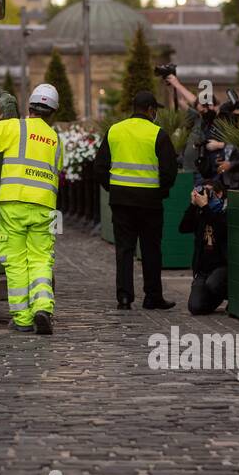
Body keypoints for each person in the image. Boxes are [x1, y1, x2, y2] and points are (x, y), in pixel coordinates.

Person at [0, 84, 62, 335]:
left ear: (29, 106)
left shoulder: (15, 127)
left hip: (13, 203)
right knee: (42, 259)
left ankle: (22, 318)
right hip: (46, 207)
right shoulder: (55, 139)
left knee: (16, 261)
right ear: (53, 112)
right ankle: (43, 307)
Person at [94, 90, 179, 310]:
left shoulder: (115, 131)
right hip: (149, 202)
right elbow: (169, 171)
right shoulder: (158, 134)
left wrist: (113, 189)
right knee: (151, 250)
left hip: (121, 201)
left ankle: (124, 297)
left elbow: (100, 167)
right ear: (151, 110)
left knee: (124, 250)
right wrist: (160, 191)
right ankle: (153, 297)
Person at [179, 177, 228, 315]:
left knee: (214, 284)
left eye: (209, 192)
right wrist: (193, 205)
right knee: (195, 307)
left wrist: (206, 208)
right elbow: (183, 228)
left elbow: (220, 231)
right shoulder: (200, 212)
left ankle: (234, 300)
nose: (205, 195)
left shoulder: (226, 212)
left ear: (219, 194)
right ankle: (213, 297)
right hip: (204, 270)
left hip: (223, 267)